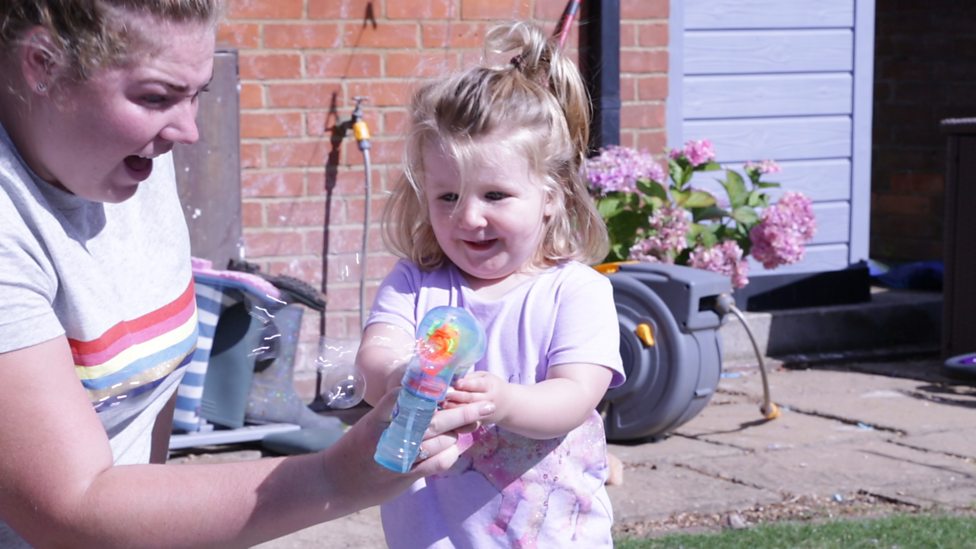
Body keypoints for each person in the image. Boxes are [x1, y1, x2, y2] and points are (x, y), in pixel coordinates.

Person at [0, 1, 494, 546]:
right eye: (157, 97)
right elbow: (68, 511)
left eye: (198, 93)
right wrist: (337, 477)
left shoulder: (129, 154)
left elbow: (147, 407)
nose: (188, 130)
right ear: (42, 63)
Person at [356, 21, 626, 548]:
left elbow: (575, 396)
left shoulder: (575, 292)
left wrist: (503, 402)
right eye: (448, 197)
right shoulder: (415, 282)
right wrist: (398, 374)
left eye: (495, 195)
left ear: (551, 197)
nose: (468, 218)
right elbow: (375, 359)